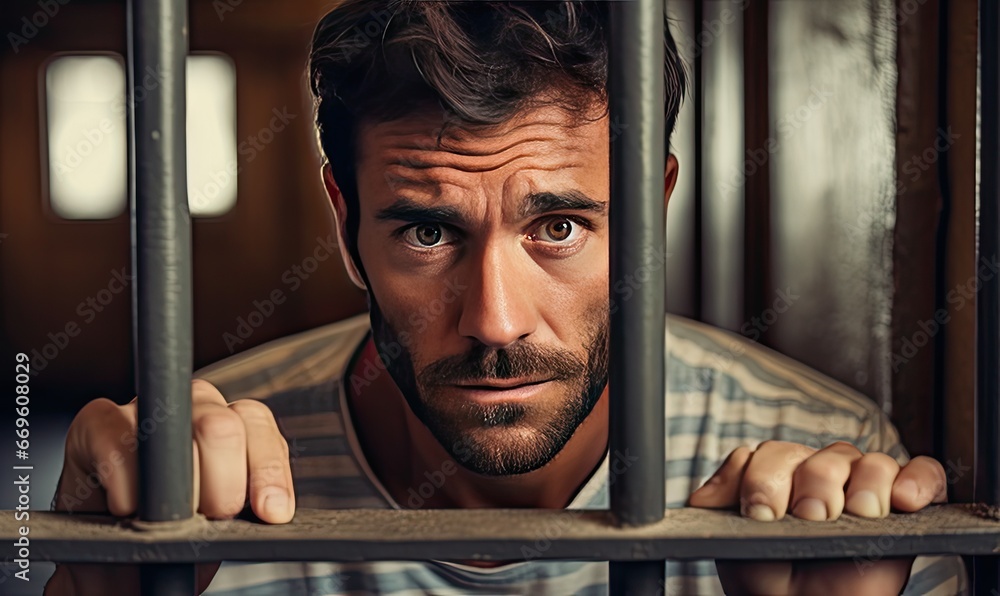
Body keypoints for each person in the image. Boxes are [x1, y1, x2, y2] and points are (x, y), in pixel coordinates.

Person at [45, 1, 967, 594]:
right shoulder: (195, 494)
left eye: (558, 226)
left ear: (652, 213)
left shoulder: (823, 477)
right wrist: (93, 578)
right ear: (345, 220)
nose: (494, 320)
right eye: (428, 233)